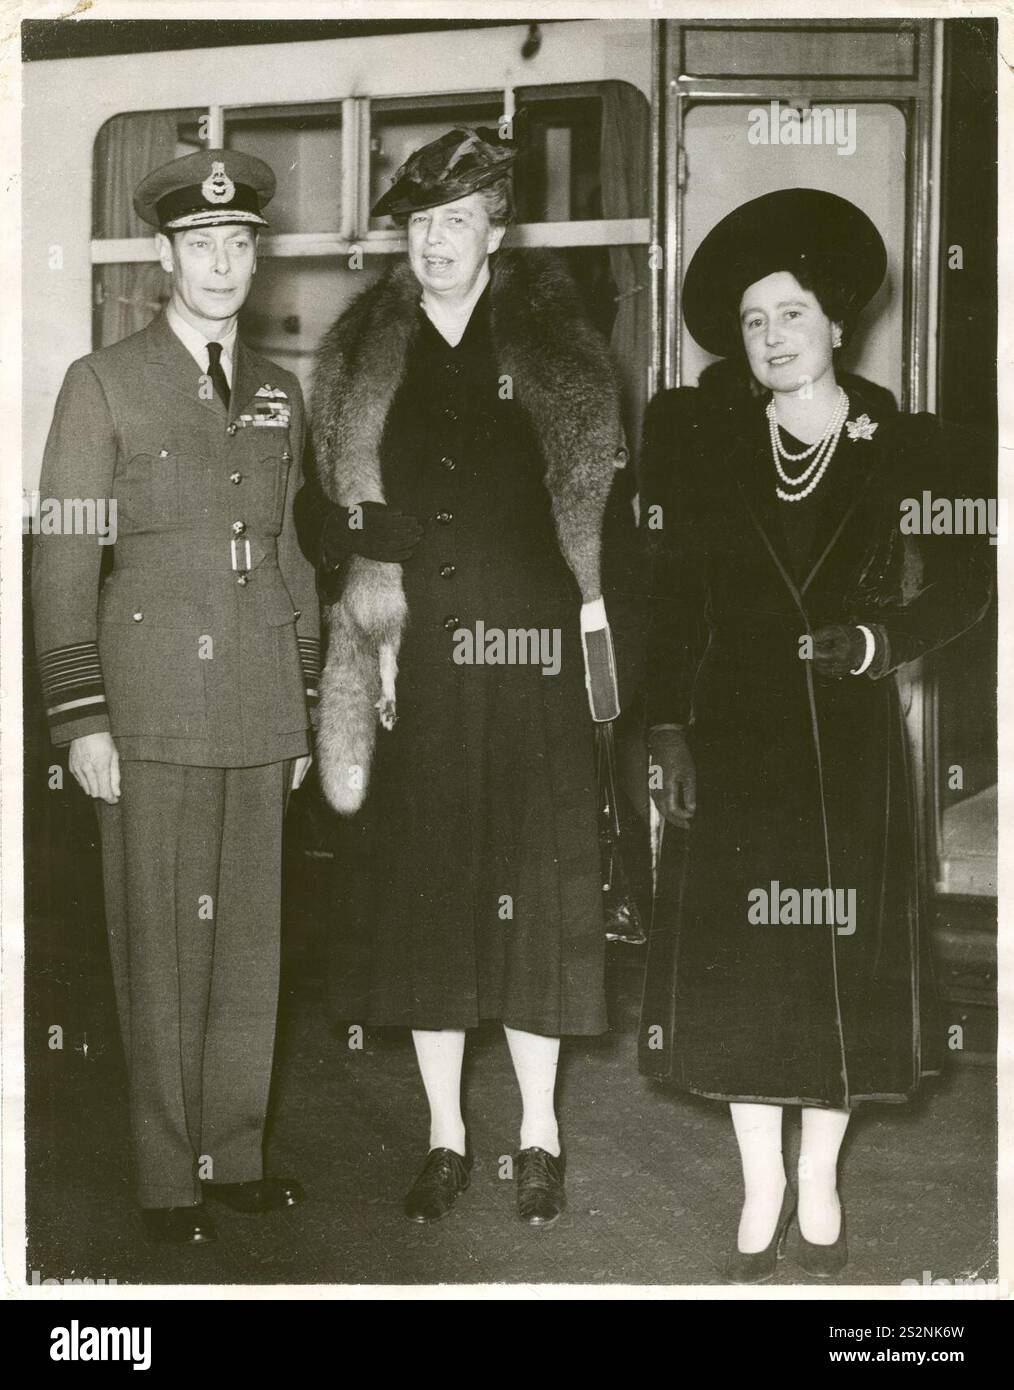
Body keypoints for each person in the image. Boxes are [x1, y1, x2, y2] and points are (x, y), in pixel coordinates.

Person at [638, 189, 993, 1281]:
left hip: (847, 739)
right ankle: (761, 1189)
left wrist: (881, 644)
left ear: (838, 324)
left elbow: (970, 585)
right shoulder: (701, 443)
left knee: (839, 958)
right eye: (753, 320)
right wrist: (664, 726)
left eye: (791, 313)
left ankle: (822, 1179)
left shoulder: (913, 442)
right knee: (747, 965)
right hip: (734, 733)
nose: (773, 336)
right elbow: (667, 593)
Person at [299, 127, 639, 1227]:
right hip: (417, 660)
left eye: (455, 221)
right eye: (418, 223)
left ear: (496, 226)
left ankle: (538, 1131)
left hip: (535, 652)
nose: (434, 242)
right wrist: (365, 531)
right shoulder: (356, 354)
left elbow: (605, 510)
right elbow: (317, 516)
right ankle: (446, 1132)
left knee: (537, 891)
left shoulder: (559, 345)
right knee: (429, 894)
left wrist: (601, 630)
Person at [32, 149, 321, 1245]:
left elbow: (293, 550)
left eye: (239, 244)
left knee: (250, 948)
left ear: (255, 254)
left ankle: (232, 1150)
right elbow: (64, 561)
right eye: (200, 245)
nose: (221, 263)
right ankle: (166, 1172)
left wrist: (299, 699)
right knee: (159, 945)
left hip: (256, 706)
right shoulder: (102, 381)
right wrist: (80, 718)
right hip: (147, 709)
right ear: (165, 257)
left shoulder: (278, 390)